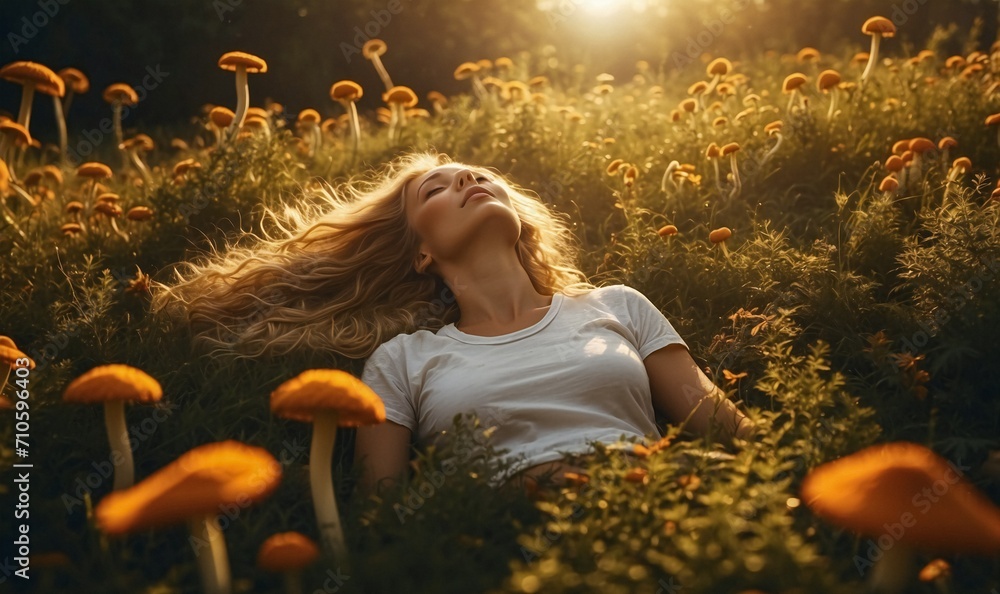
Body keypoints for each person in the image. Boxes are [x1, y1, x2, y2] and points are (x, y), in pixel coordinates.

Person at [150, 151, 752, 501]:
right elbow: (384, 515)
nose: (468, 179)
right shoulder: (401, 360)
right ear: (421, 254)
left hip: (655, 516)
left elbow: (729, 433)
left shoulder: (618, 305)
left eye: (477, 174)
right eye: (435, 189)